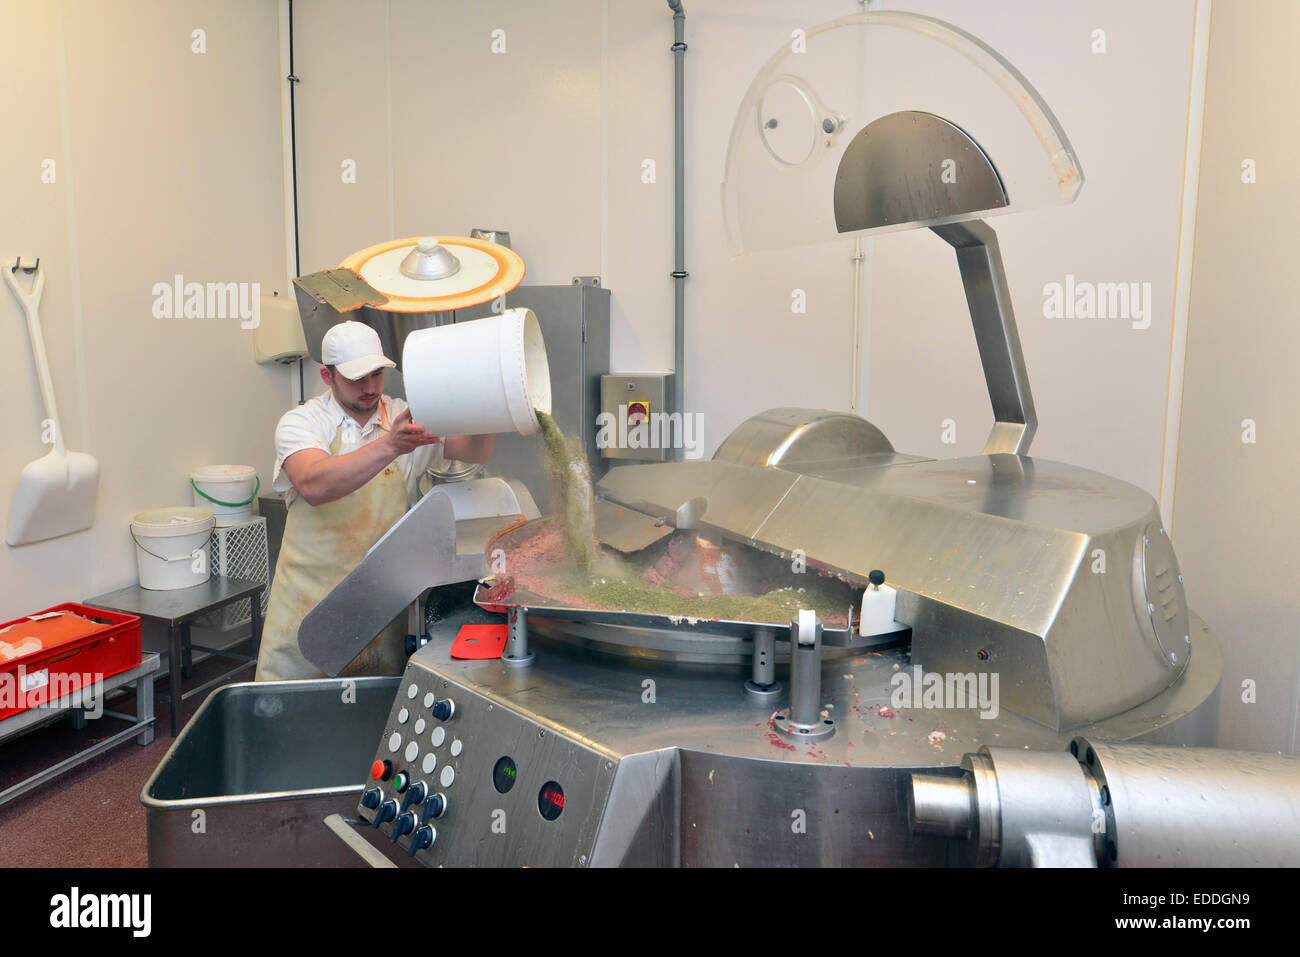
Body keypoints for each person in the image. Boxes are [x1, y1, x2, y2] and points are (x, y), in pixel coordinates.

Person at [255, 321, 495, 680]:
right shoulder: (301, 422)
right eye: (356, 378)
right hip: (308, 607)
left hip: (377, 607)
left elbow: (474, 451)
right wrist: (389, 446)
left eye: (377, 375)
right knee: (292, 717)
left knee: (371, 718)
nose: (370, 387)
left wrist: (487, 399)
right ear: (327, 375)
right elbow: (314, 485)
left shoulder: (404, 416)